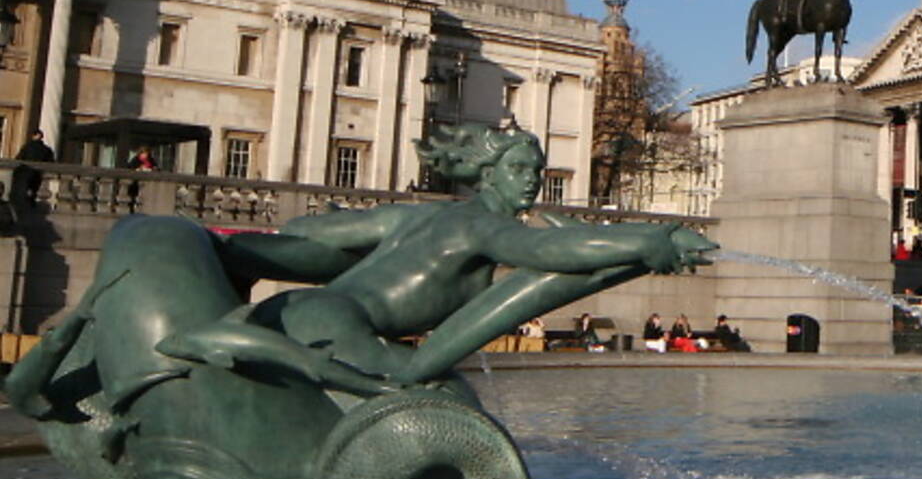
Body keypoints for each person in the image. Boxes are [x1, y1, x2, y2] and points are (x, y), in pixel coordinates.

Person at [149, 122, 713, 394]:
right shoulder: (482, 226)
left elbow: (306, 230)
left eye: (537, 172)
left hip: (300, 310)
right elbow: (548, 251)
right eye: (519, 170)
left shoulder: (419, 216)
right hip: (337, 327)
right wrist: (649, 240)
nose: (532, 181)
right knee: (436, 402)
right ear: (487, 174)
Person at [13, 129, 53, 205]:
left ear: (33, 136)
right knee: (34, 191)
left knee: (23, 192)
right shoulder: (46, 149)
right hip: (38, 174)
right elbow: (51, 163)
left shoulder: (27, 147)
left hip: (26, 173)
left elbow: (18, 159)